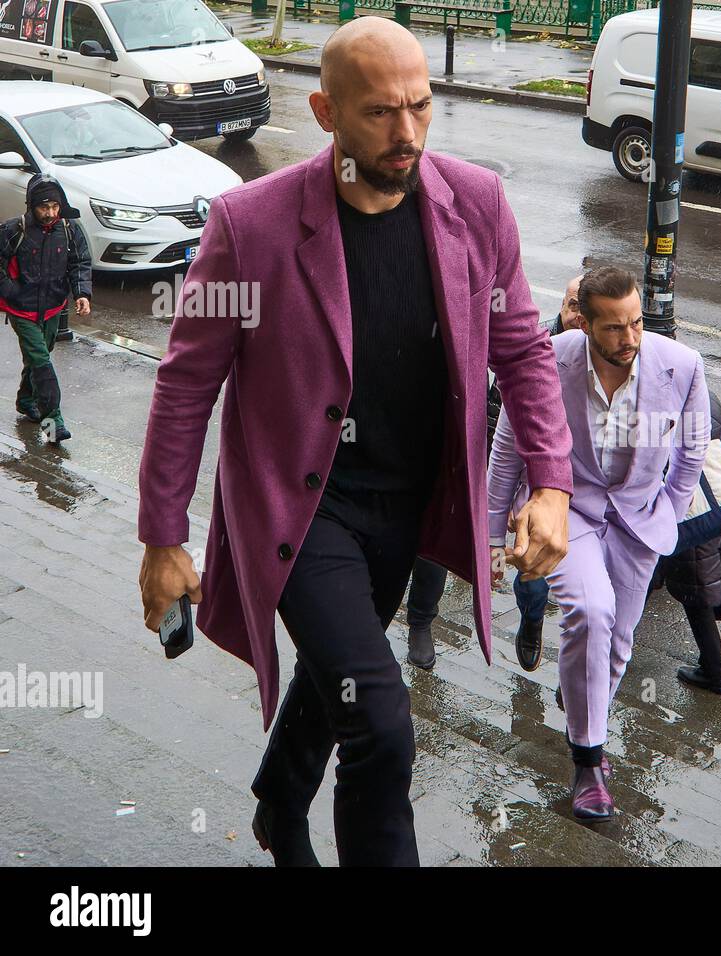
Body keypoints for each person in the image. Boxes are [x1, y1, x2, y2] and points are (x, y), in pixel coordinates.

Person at [135, 16, 573, 867]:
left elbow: (520, 347)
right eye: (379, 114)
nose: (406, 133)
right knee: (381, 723)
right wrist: (163, 537)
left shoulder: (476, 205)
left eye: (421, 106)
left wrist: (550, 483)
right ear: (325, 111)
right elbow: (187, 383)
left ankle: (278, 801)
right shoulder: (249, 227)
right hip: (303, 514)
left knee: (339, 672)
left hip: (409, 511)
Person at [487, 266, 709, 820]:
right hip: (571, 509)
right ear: (583, 322)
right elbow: (510, 448)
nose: (629, 339)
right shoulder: (548, 358)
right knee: (590, 610)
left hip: (640, 520)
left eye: (636, 323)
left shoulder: (680, 367)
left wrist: (670, 519)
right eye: (613, 328)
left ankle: (585, 703)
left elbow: (692, 452)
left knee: (618, 640)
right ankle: (588, 761)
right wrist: (491, 533)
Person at [405, 272, 584, 671]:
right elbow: (497, 431)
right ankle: (524, 621)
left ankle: (574, 671)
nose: (575, 316)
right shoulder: (537, 350)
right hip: (522, 493)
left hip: (576, 499)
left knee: (584, 600)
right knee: (530, 580)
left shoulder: (597, 359)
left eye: (582, 308)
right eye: (570, 305)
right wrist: (490, 504)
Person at [0, 175, 92, 444]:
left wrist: (82, 293)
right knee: (42, 362)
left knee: (38, 356)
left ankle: (25, 400)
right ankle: (53, 423)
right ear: (32, 206)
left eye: (55, 206)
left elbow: (80, 262)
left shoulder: (69, 229)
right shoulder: (13, 230)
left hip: (53, 308)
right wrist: (11, 291)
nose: (50, 213)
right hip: (22, 311)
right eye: (44, 208)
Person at [655, 390, 721, 694]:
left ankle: (715, 673)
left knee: (694, 596)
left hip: (684, 521)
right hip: (712, 513)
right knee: (701, 591)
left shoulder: (662, 408)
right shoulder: (710, 399)